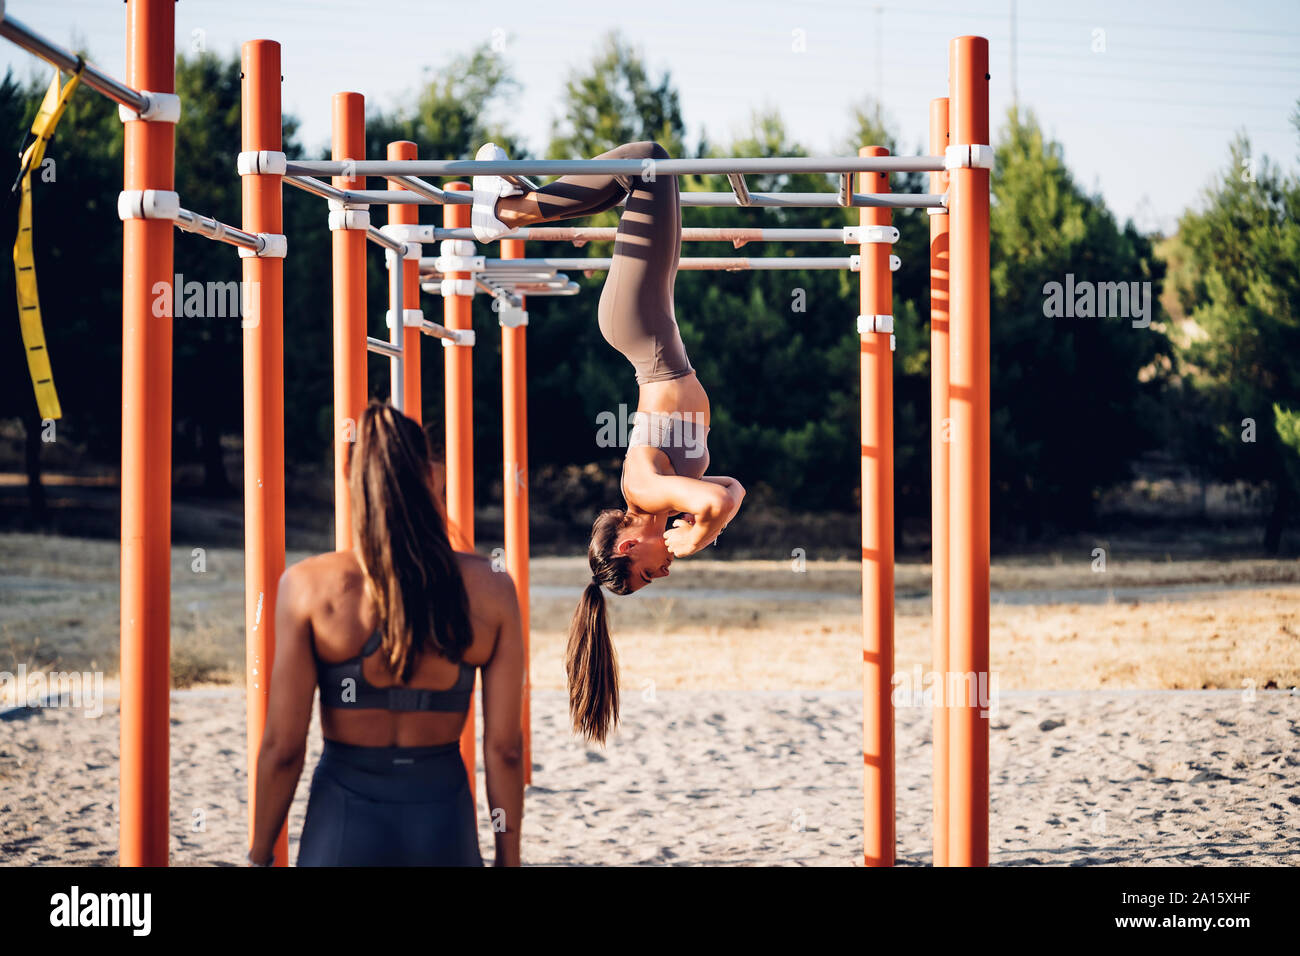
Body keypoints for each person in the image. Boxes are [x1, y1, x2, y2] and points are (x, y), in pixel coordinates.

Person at [473, 141, 746, 743]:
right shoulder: (667, 503)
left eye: (647, 574)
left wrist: (701, 537)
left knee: (648, 160)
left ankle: (509, 212)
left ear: (627, 545)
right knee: (660, 175)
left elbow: (719, 504)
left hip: (640, 329)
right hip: (654, 332)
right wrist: (703, 524)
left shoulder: (644, 488)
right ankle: (510, 206)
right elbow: (731, 489)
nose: (663, 572)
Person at [249, 402, 524, 866]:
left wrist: (259, 856)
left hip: (342, 827)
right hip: (443, 829)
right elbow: (505, 749)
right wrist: (508, 858)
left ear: (350, 477)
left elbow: (282, 747)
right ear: (432, 475)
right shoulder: (492, 588)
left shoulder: (308, 587)